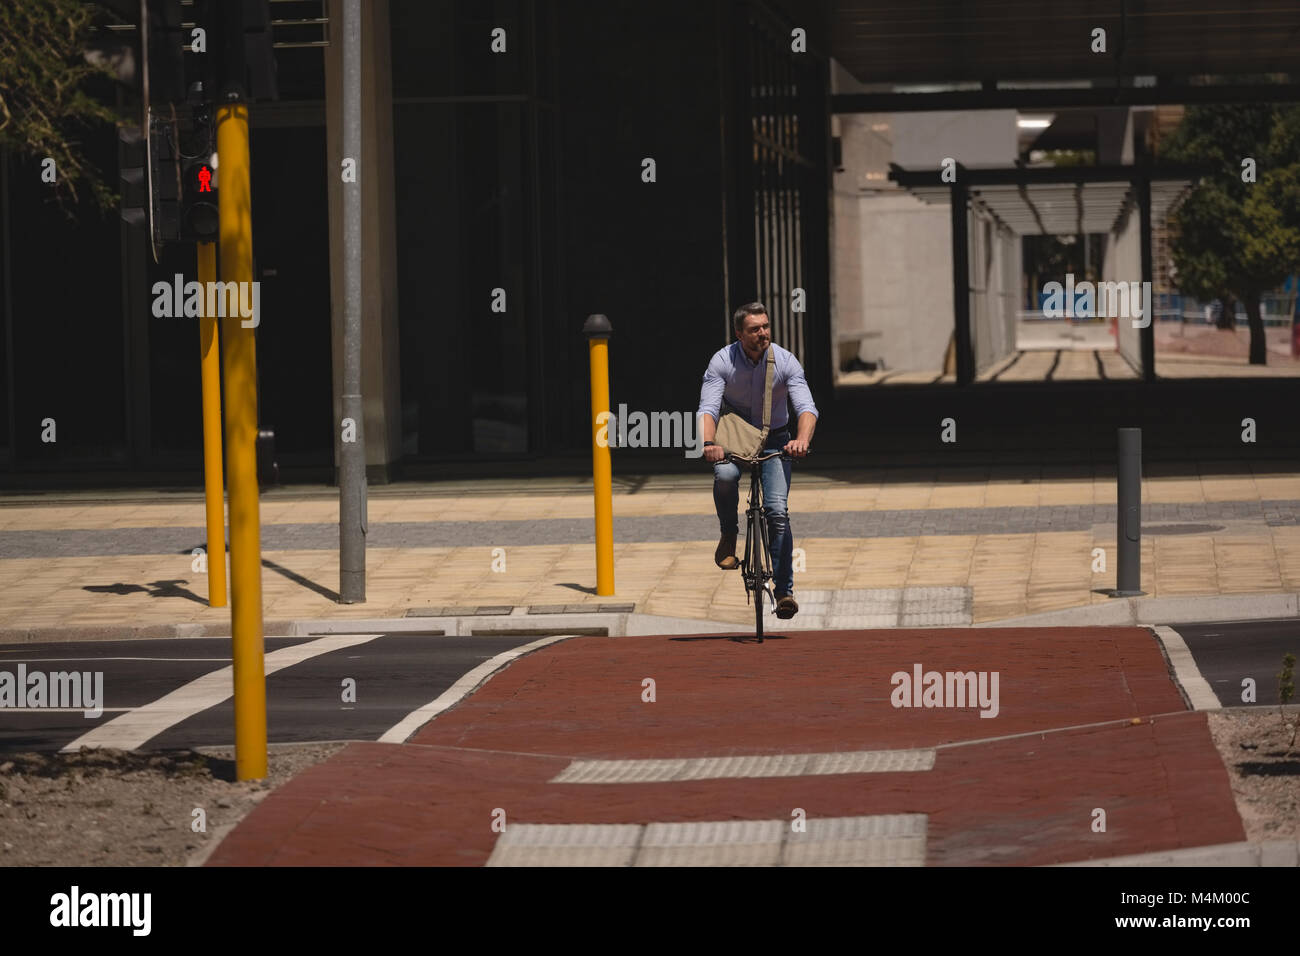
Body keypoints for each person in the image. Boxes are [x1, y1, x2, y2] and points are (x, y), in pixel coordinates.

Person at [697, 302, 818, 619]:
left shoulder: (785, 361)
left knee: (777, 511)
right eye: (755, 329)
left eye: (765, 326)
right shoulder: (722, 361)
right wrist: (709, 443)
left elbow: (806, 407)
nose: (763, 333)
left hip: (776, 439)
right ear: (739, 333)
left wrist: (801, 440)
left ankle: (784, 592)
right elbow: (707, 409)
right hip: (734, 439)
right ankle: (727, 534)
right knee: (724, 477)